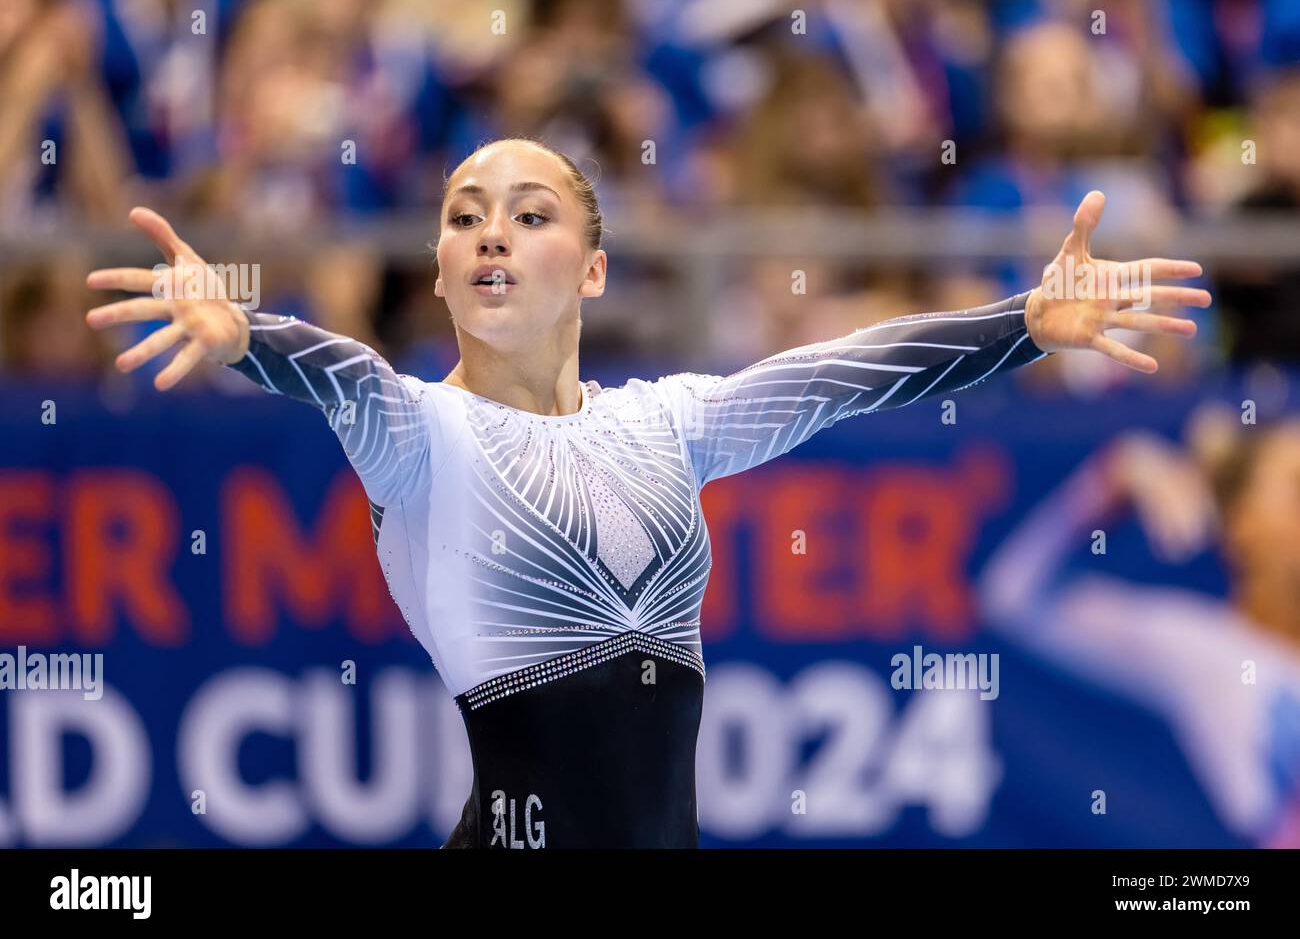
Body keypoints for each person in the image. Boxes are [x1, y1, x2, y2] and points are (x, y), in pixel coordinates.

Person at [83, 136, 1209, 848]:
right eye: (464, 213)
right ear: (434, 267)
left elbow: (847, 375)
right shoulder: (419, 433)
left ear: (594, 269)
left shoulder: (669, 421)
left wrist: (1020, 326)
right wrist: (243, 333)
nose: (490, 234)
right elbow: (341, 373)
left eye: (531, 215)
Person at [978, 406, 1300, 846]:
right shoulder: (1201, 651)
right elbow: (1010, 598)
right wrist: (1110, 481)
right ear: (1243, 525)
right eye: (1298, 490)